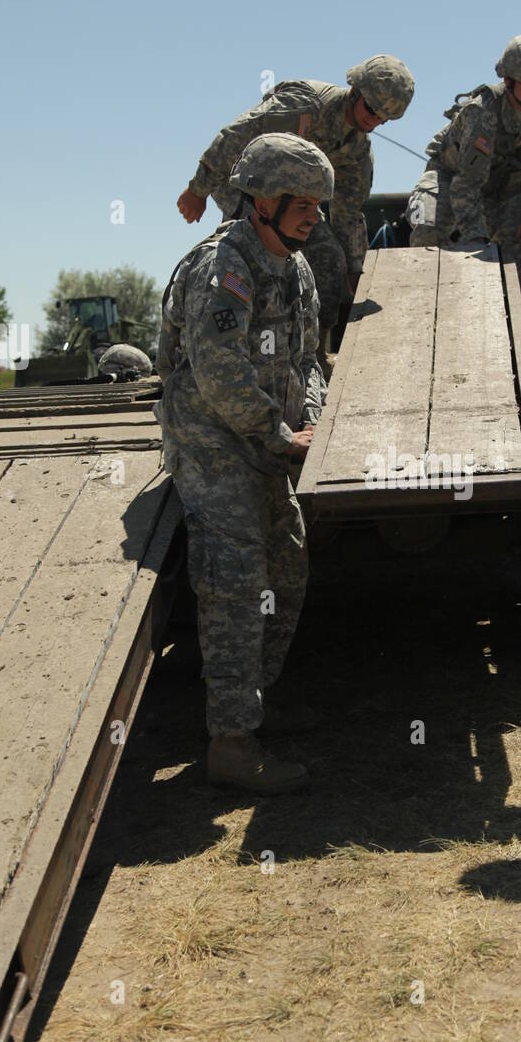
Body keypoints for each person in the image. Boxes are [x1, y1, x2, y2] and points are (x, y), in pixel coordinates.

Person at [156, 133, 334, 795]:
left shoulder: (296, 267)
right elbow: (218, 372)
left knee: (288, 568)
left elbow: (310, 357)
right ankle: (230, 743)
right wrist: (283, 435)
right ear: (263, 199)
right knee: (235, 581)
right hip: (214, 441)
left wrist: (309, 419)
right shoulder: (221, 268)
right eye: (302, 202)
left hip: (269, 440)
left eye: (318, 204)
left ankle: (255, 703)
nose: (313, 215)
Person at [176, 55, 415, 352]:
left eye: (383, 118)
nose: (374, 121)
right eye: (370, 109)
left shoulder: (357, 153)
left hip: (295, 205)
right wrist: (197, 189)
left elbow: (348, 213)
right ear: (356, 91)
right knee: (263, 255)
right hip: (248, 188)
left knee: (329, 256)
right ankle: (237, 349)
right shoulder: (303, 106)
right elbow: (236, 136)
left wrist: (353, 267)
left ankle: (312, 354)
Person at [407, 34, 521, 321]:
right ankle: (422, 321)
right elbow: (466, 185)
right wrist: (477, 238)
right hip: (451, 182)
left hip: (508, 191)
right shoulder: (482, 112)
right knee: (428, 228)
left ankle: (516, 336)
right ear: (508, 80)